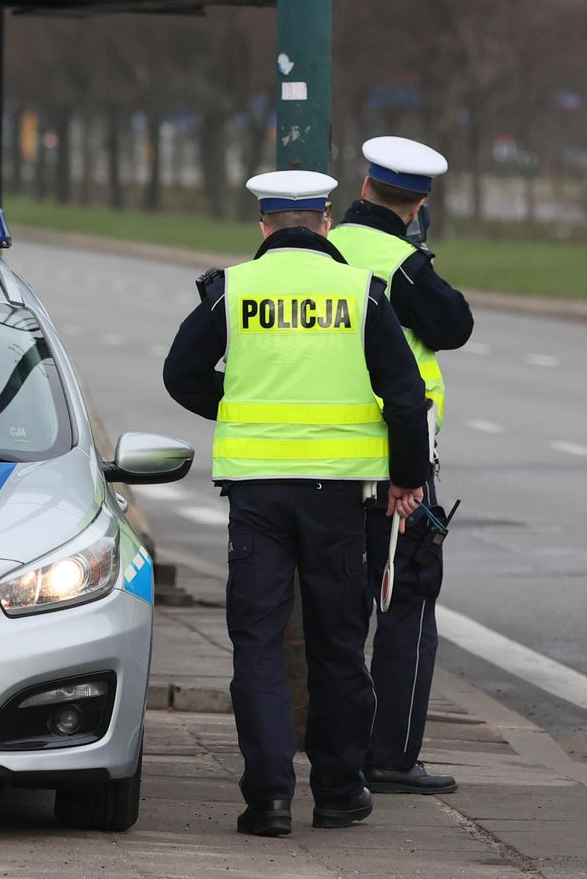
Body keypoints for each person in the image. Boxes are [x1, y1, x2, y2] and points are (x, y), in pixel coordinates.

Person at [162, 169, 431, 839]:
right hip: (339, 497)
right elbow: (404, 394)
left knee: (256, 642)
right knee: (338, 644)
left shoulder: (234, 288)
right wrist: (405, 477)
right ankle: (339, 792)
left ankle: (269, 799)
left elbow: (180, 373)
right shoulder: (360, 291)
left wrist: (237, 414)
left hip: (257, 495)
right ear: (325, 224)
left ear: (264, 226)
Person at [330, 136, 474, 795]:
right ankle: (390, 755)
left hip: (315, 458)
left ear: (363, 186)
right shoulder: (403, 264)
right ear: (419, 203)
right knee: (406, 603)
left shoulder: (324, 247)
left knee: (336, 610)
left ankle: (331, 751)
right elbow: (454, 324)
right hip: (396, 463)